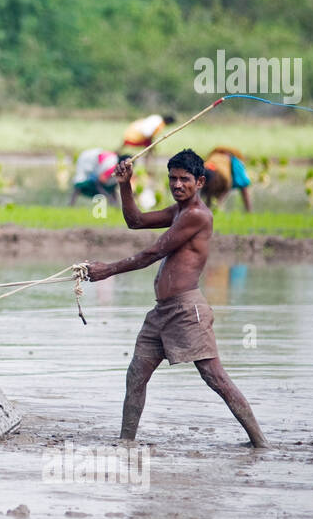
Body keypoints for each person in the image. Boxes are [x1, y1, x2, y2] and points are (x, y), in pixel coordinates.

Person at [85, 149, 269, 448]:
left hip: (186, 311)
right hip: (162, 312)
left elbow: (153, 253)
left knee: (215, 378)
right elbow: (135, 221)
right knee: (136, 375)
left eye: (185, 179)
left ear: (200, 182)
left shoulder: (196, 215)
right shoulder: (178, 211)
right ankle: (126, 443)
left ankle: (260, 443)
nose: (177, 185)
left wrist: (108, 270)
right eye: (173, 178)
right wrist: (124, 184)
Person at [202, 146, 252, 212]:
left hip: (204, 172)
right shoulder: (234, 160)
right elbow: (244, 184)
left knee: (209, 198)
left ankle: (209, 210)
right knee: (226, 186)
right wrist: (249, 210)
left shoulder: (213, 156)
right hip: (218, 176)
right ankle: (213, 209)